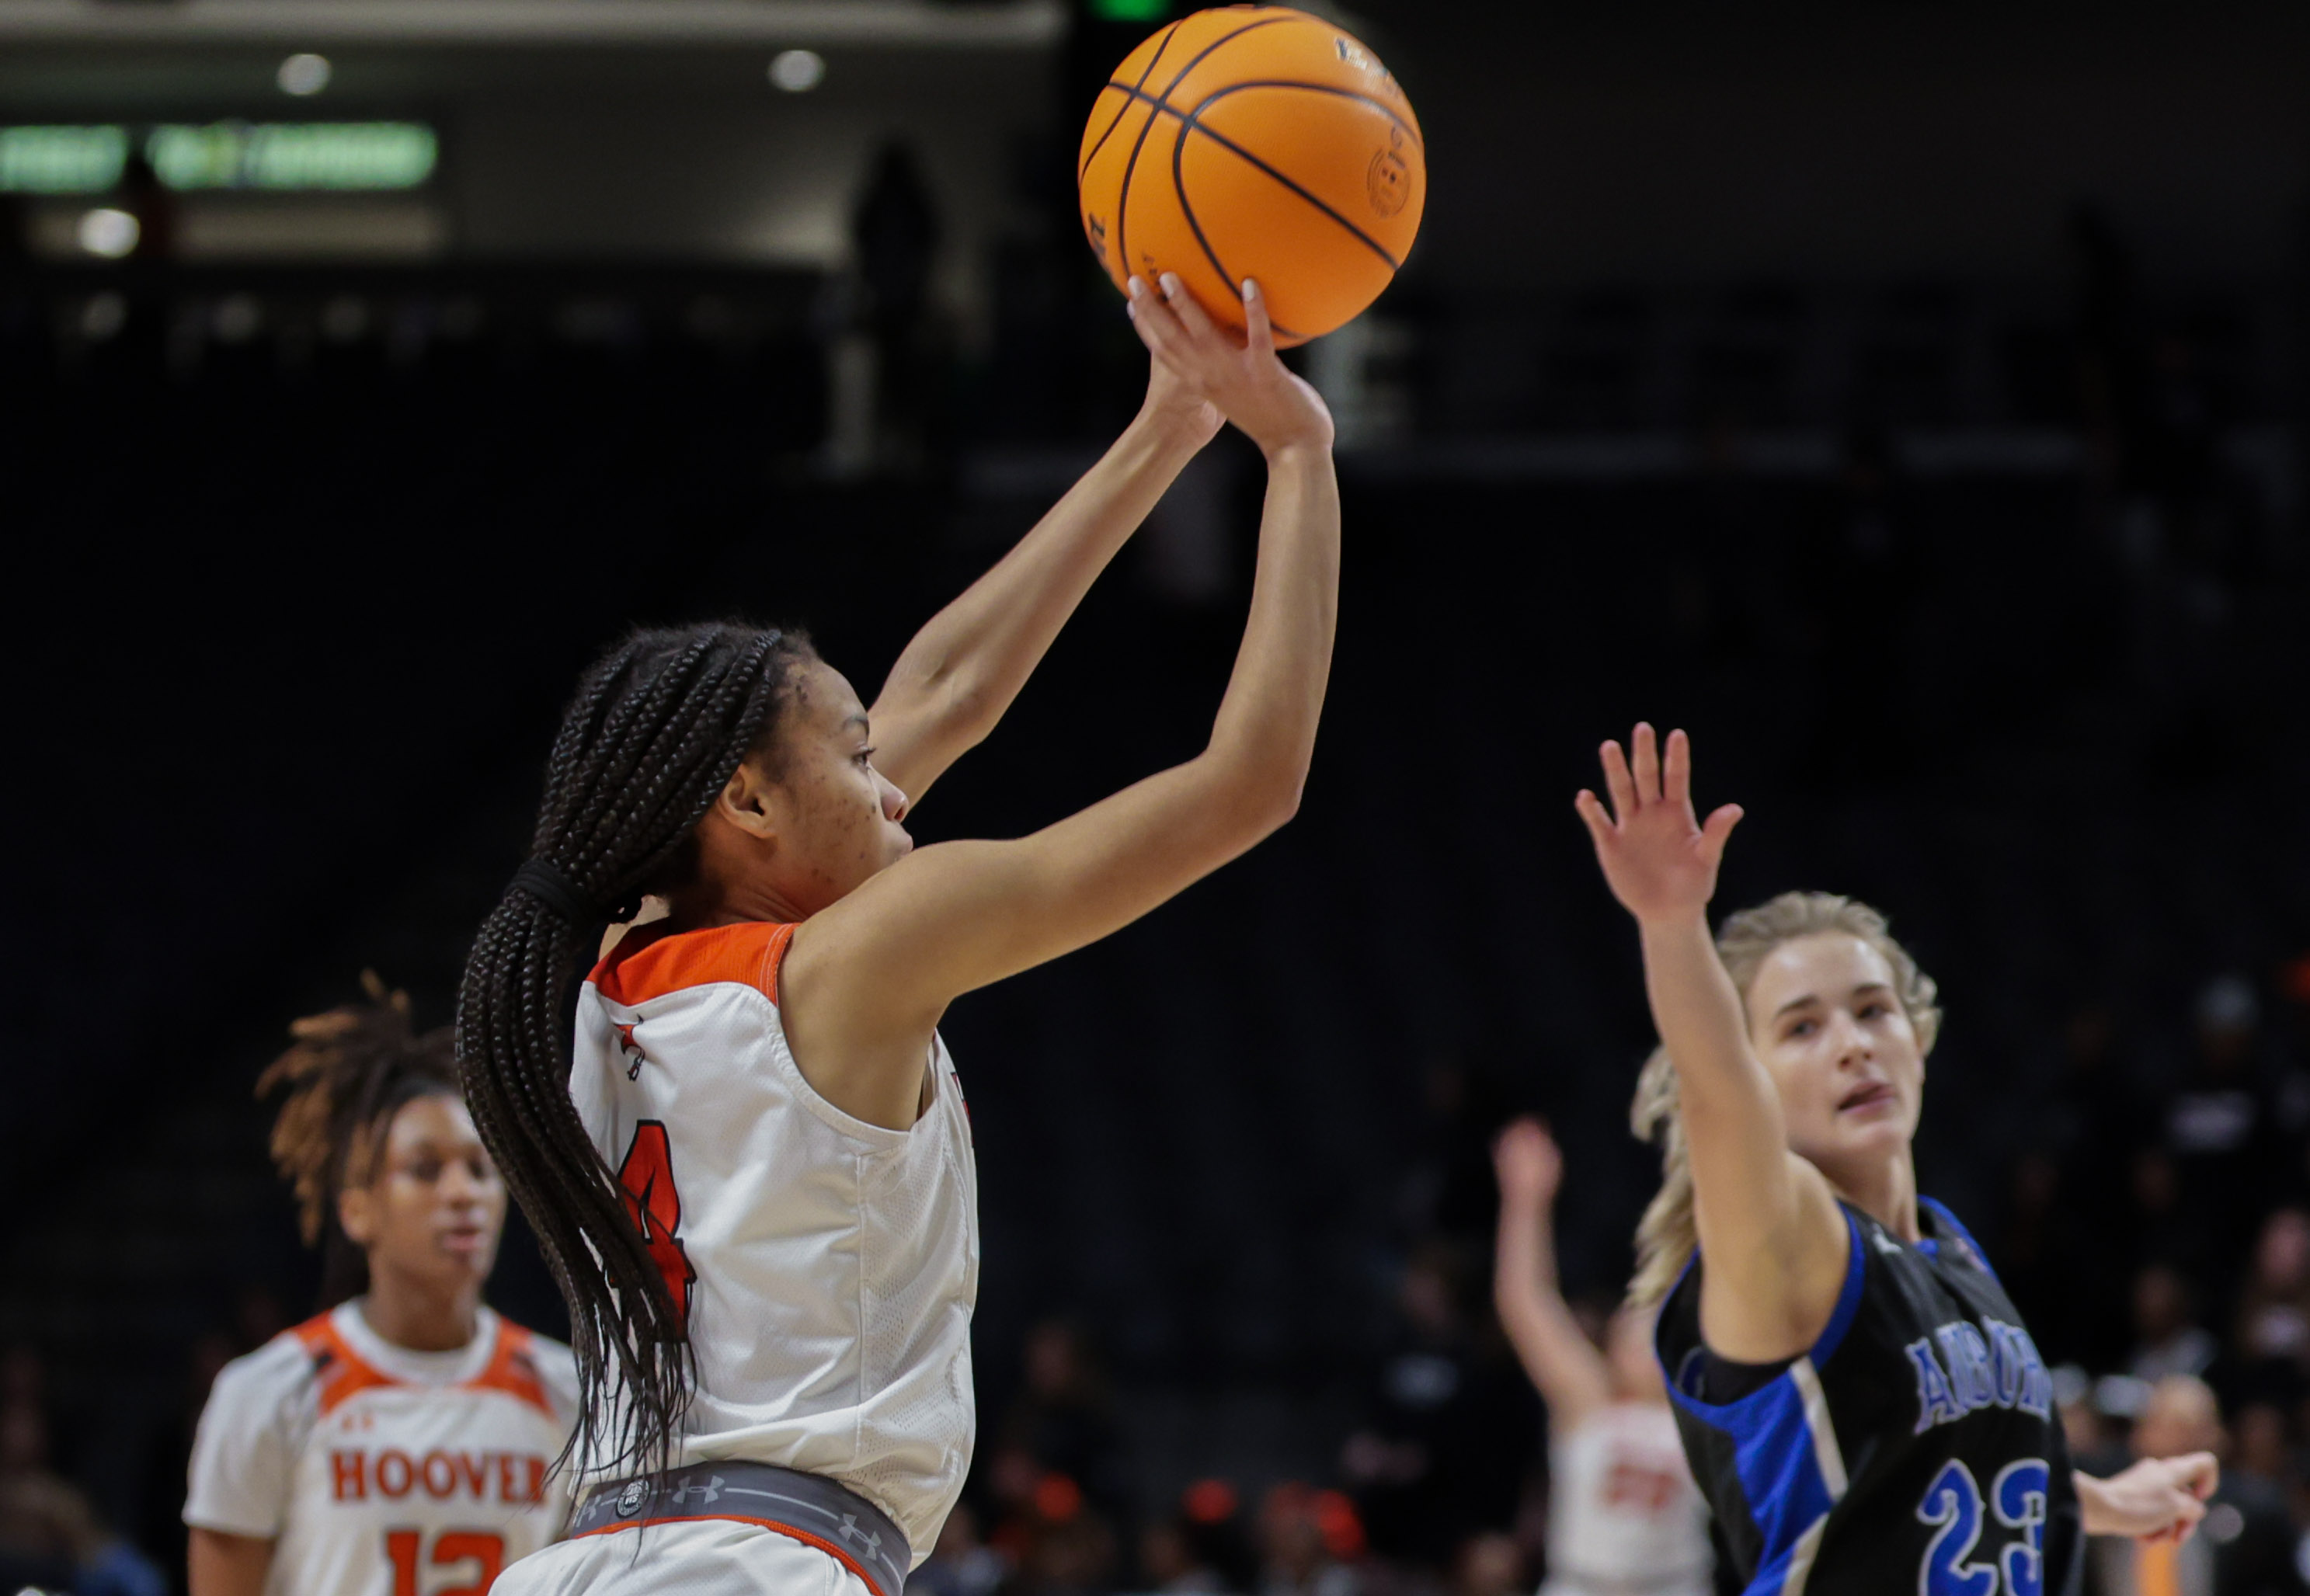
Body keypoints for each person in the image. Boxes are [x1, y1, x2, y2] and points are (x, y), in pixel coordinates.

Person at [457, 272, 1338, 1596]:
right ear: (745, 799)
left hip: (591, 1556)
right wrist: (1296, 453)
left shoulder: (597, 965)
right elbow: (1248, 783)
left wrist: (1166, 426)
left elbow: (953, 689)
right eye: (856, 756)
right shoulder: (857, 961)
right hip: (758, 1568)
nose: (889, 787)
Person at [1574, 724, 2223, 1594]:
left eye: (1873, 1011)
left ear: (1918, 1042)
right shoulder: (1792, 1241)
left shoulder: (1948, 1247)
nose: (1852, 1045)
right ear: (1753, 1074)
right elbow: (1718, 1098)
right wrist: (1669, 923)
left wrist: (2101, 1499)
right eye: (1801, 1027)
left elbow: (1940, 1483)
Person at [183, 975, 579, 1596]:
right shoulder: (267, 1394)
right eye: (425, 1169)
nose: (461, 1193)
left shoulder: (568, 1393)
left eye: (480, 1169)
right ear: (358, 1209)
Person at [1491, 1118, 1710, 1596]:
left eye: (1659, 1324)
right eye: (1634, 1326)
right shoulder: (1589, 1404)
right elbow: (1525, 1302)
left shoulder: (1698, 1414)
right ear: (1609, 1349)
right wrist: (1525, 1203)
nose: (1648, 1332)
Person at [2087, 1375, 2307, 1596]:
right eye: (2164, 1425)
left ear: (2217, 1435)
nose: (2176, 1439)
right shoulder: (2108, 1499)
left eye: (2190, 1426)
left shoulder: (2257, 1510)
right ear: (2139, 1435)